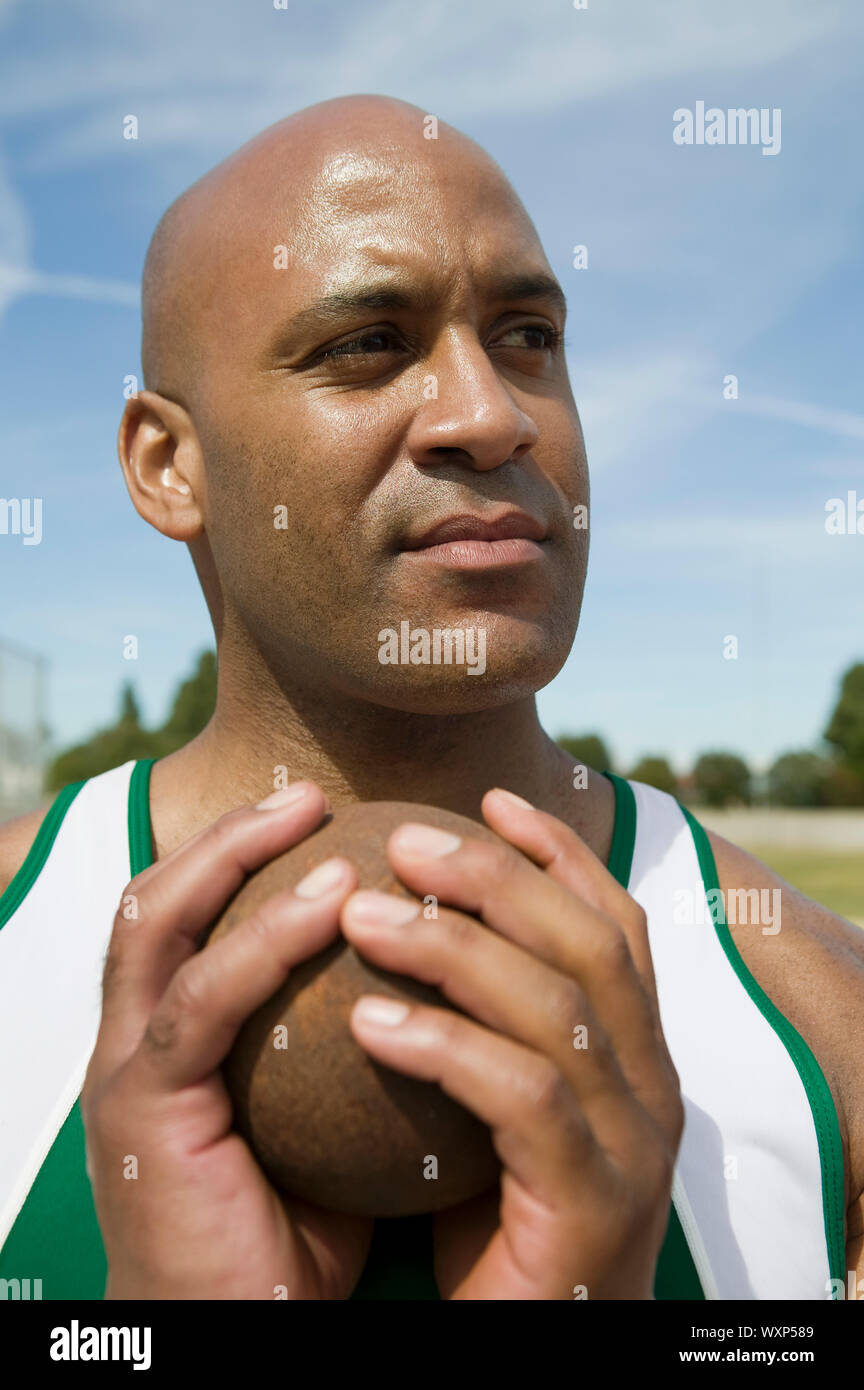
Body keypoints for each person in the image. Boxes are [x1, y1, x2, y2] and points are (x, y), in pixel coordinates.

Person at [0, 94, 861, 1301]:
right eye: (368, 344)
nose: (491, 415)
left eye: (525, 337)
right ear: (167, 465)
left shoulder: (833, 1026)